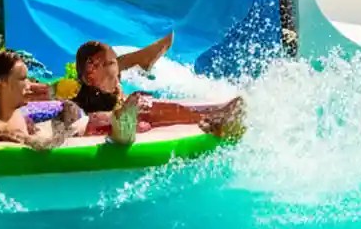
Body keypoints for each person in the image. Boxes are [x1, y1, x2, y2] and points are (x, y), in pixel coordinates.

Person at [72, 33, 245, 145]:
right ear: (90, 78)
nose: (117, 73)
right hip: (101, 121)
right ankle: (211, 119)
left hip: (115, 115)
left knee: (142, 106)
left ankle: (212, 114)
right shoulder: (91, 97)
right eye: (110, 64)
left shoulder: (107, 84)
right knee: (141, 108)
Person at [0, 51, 85, 154]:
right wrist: (6, 135)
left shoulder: (14, 114)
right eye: (23, 79)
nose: (29, 85)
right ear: (0, 86)